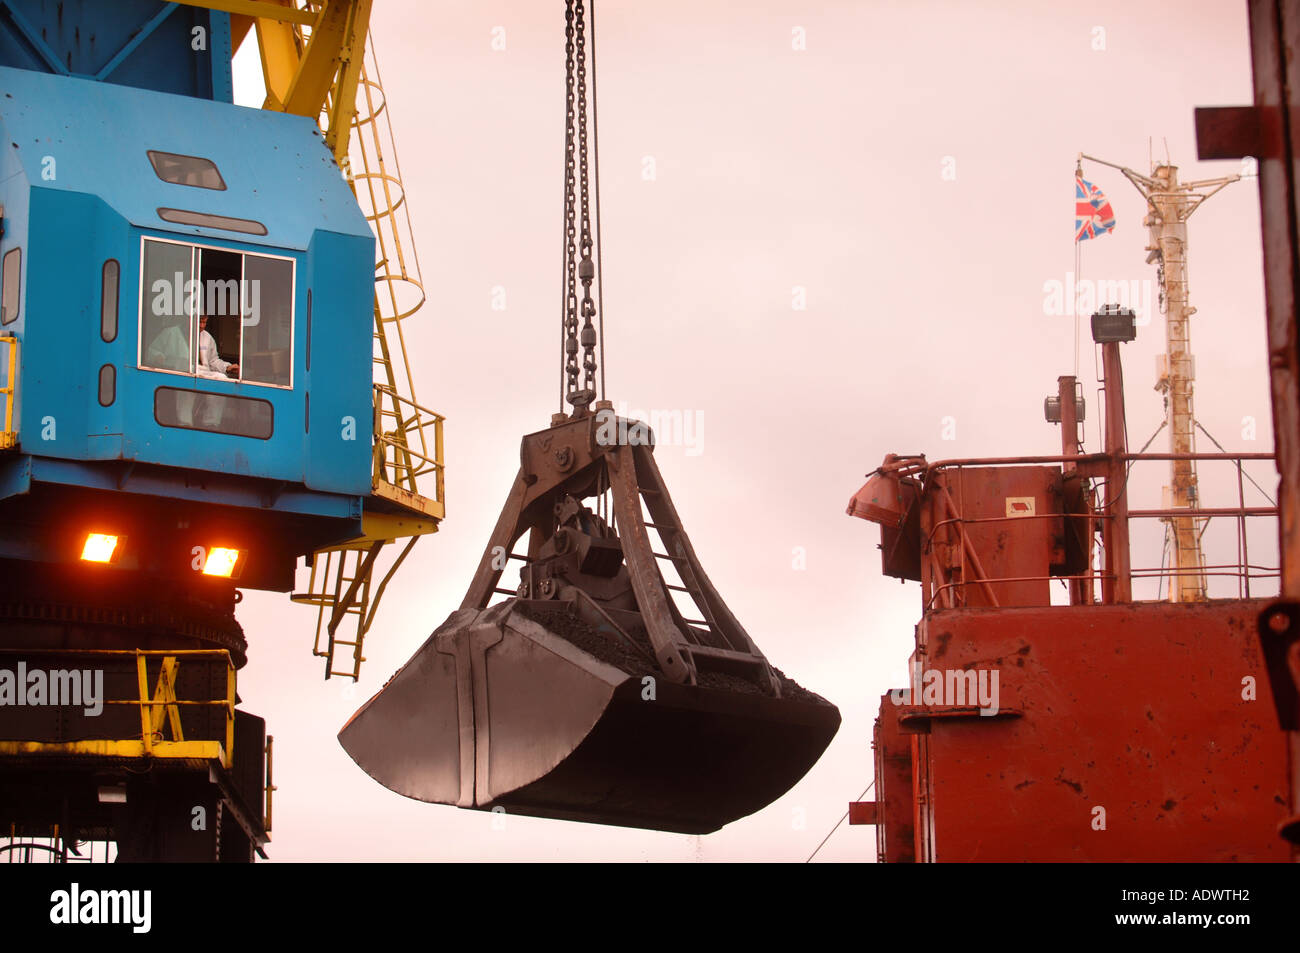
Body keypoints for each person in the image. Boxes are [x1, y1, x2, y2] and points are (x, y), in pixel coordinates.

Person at [197, 310, 239, 380]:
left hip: (204, 374)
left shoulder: (207, 337)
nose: (201, 326)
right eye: (199, 322)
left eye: (204, 322)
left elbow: (213, 361)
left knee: (222, 377)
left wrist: (227, 367)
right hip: (186, 375)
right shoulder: (177, 334)